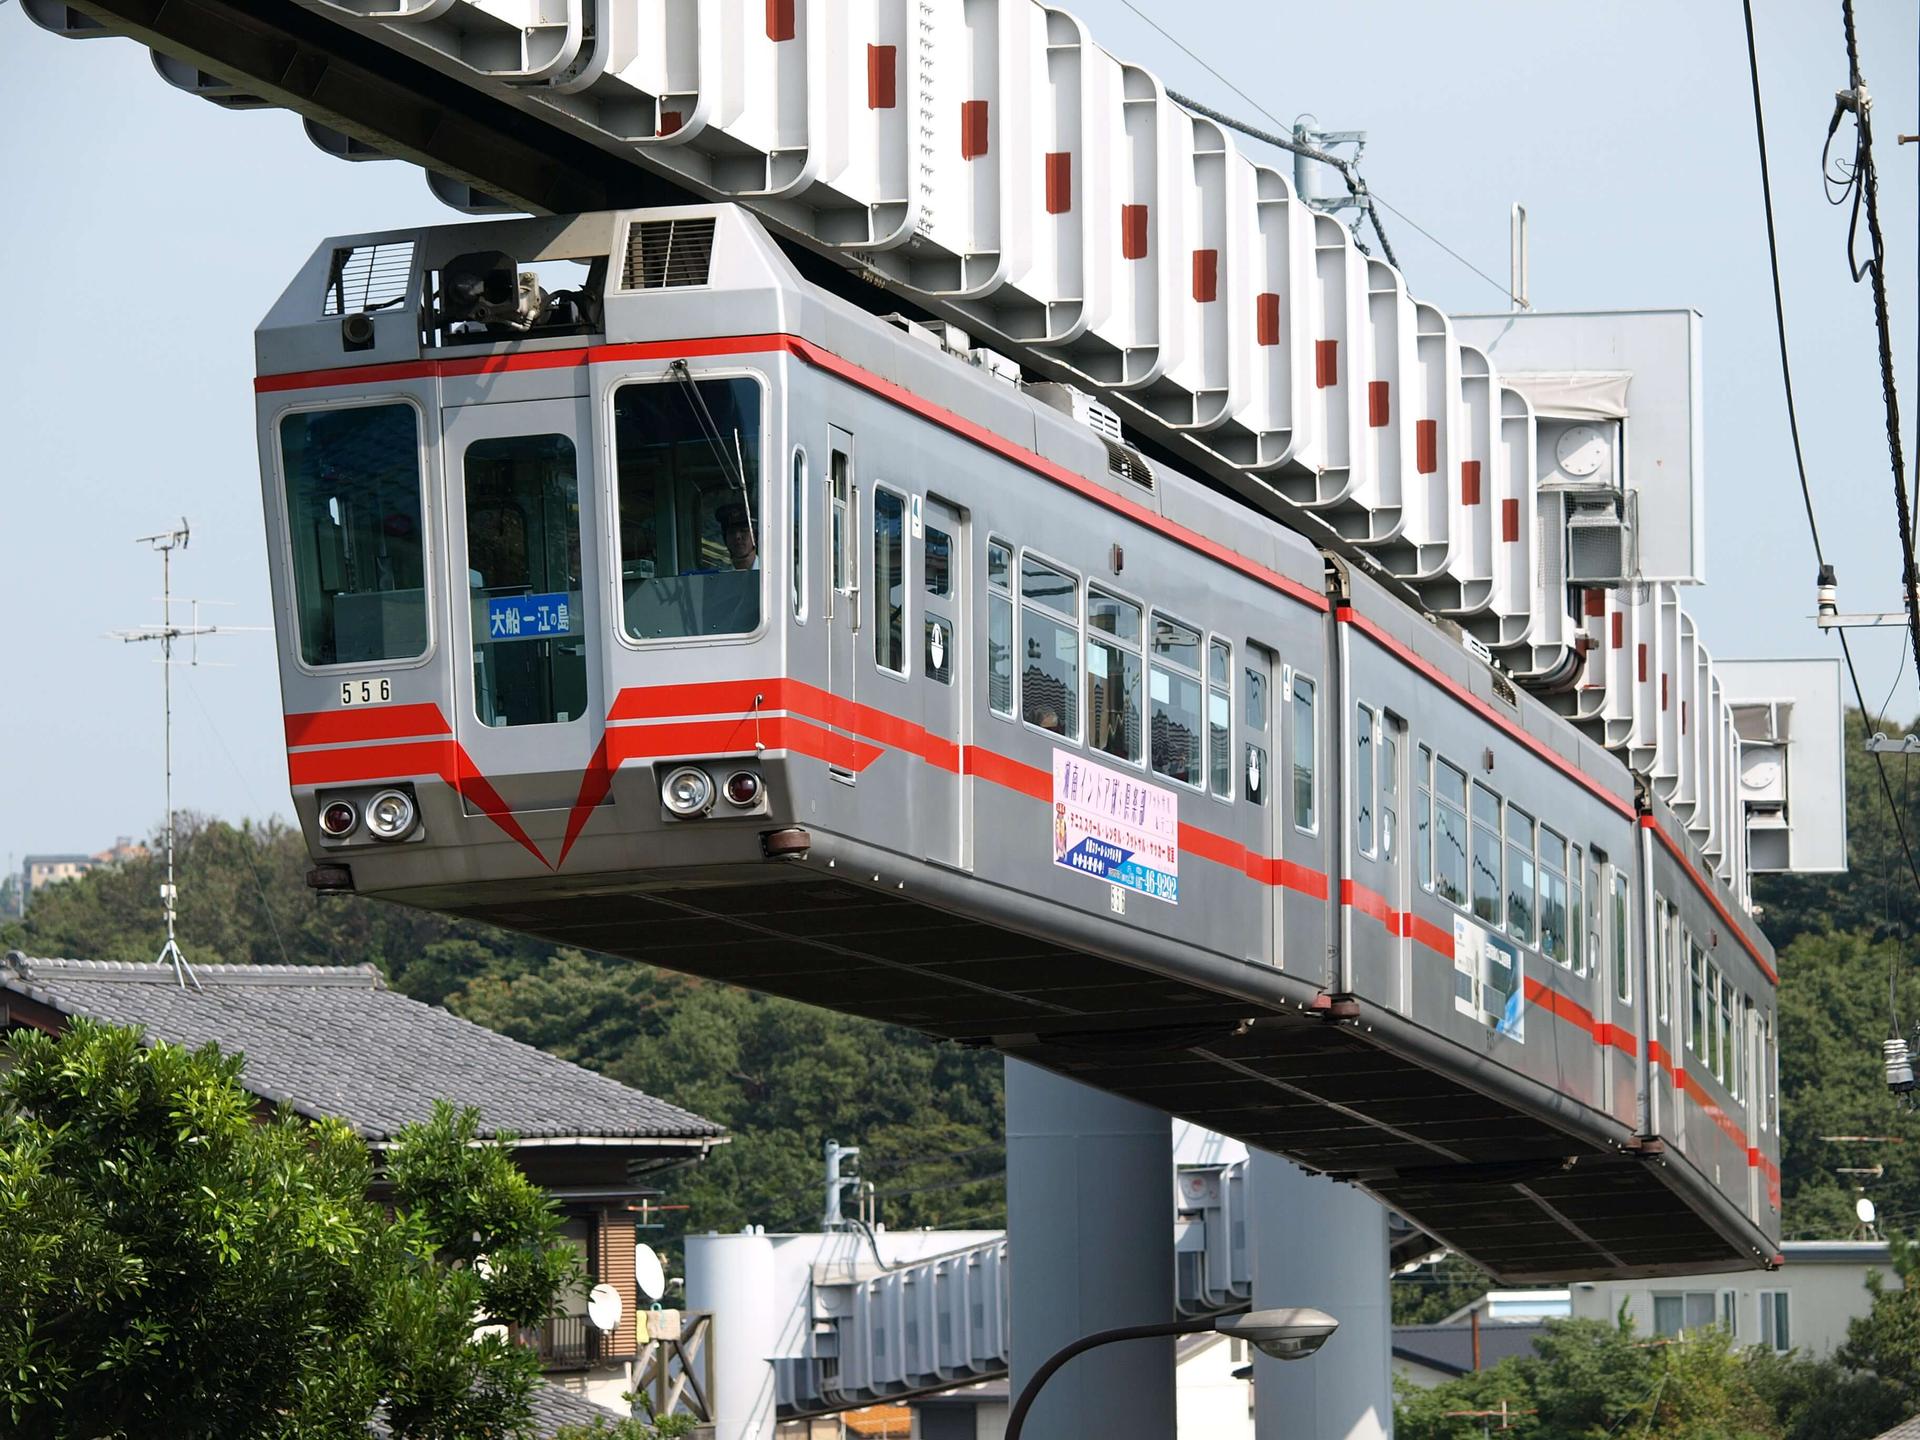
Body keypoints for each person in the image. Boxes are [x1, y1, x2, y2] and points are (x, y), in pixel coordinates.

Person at [718, 501, 758, 571]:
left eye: (744, 531)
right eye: (731, 532)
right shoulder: (720, 578)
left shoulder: (771, 572)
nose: (737, 537)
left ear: (755, 535)